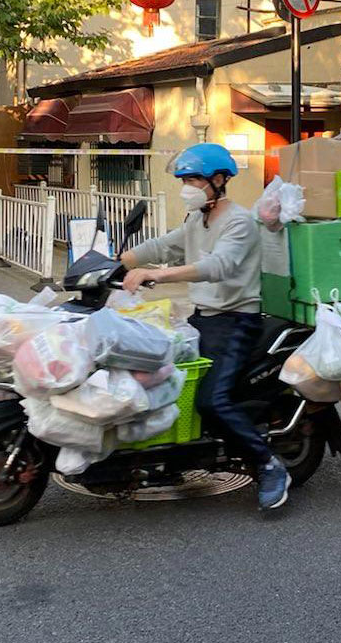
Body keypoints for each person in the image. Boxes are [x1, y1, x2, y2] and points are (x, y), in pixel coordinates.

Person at [120, 142, 290, 512]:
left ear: (219, 180)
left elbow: (218, 266)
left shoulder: (240, 222)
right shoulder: (197, 220)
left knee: (212, 400)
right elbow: (166, 245)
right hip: (202, 319)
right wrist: (120, 261)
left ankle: (269, 465)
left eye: (194, 180)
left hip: (237, 322)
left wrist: (155, 275)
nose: (188, 187)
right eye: (184, 180)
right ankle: (172, 460)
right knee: (166, 381)